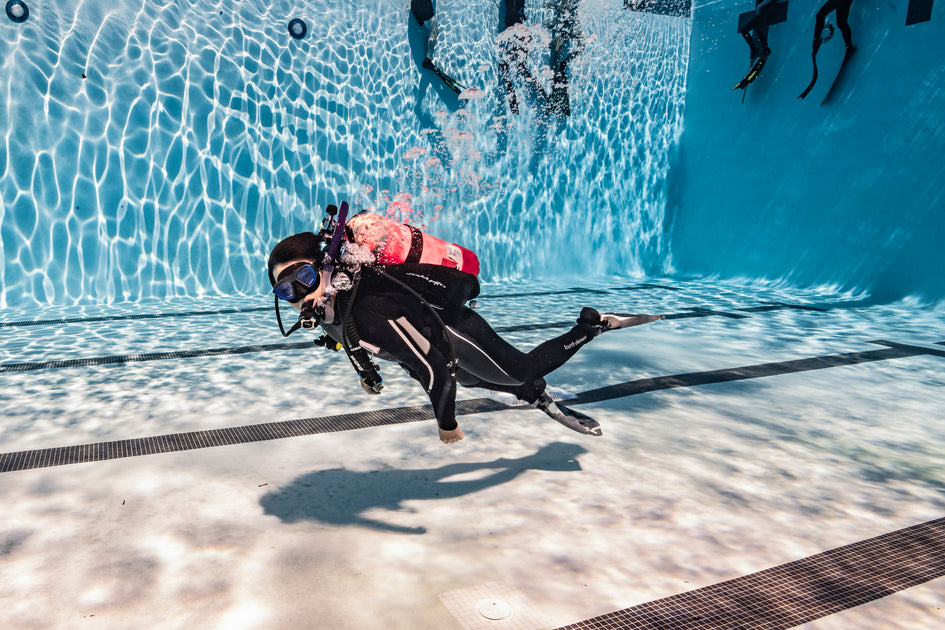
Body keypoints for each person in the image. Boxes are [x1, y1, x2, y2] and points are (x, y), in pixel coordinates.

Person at [267, 209, 662, 444]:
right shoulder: (333, 310)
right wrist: (364, 371)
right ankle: (537, 396)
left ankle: (591, 325)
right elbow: (350, 343)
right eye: (286, 290)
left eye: (302, 277)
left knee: (519, 370)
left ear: (325, 265)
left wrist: (447, 424)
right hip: (443, 348)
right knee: (485, 381)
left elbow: (433, 371)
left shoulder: (367, 306)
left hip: (457, 331)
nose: (300, 294)